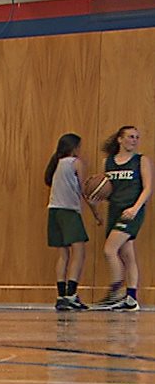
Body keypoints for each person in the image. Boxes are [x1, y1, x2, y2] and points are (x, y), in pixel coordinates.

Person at [95, 126, 151, 311]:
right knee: (127, 254)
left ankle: (115, 294)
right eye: (130, 137)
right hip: (114, 210)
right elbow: (105, 188)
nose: (134, 140)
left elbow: (148, 188)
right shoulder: (108, 162)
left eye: (137, 137)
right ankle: (131, 299)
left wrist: (136, 208)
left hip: (131, 212)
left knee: (109, 250)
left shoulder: (141, 161)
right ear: (120, 139)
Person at [44, 133, 100, 311]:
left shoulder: (56, 164)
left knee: (64, 255)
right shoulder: (76, 163)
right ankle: (71, 295)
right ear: (75, 147)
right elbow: (85, 191)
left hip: (54, 211)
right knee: (79, 253)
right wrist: (96, 213)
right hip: (69, 211)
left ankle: (61, 296)